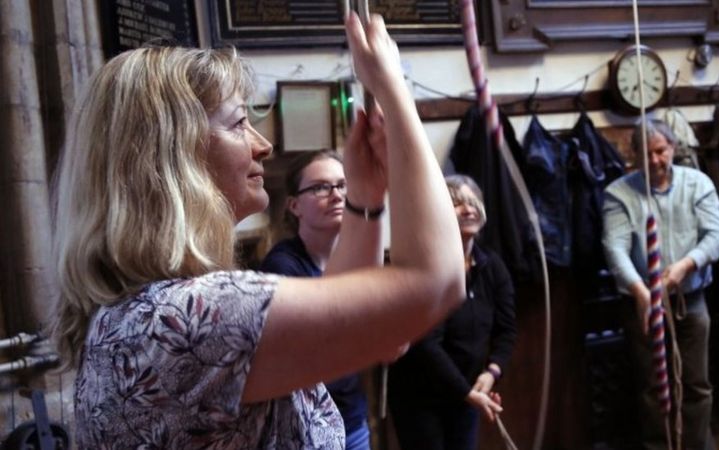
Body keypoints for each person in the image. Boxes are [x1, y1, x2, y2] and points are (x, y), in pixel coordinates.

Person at [49, 13, 465, 450]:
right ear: (172, 154)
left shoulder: (142, 318)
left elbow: (355, 326)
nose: (263, 145)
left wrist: (363, 198)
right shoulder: (189, 319)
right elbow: (434, 285)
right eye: (237, 123)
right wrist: (394, 90)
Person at [601, 118, 719, 450]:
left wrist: (685, 265)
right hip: (641, 302)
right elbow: (615, 248)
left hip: (690, 298)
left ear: (672, 147)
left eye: (660, 150)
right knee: (652, 384)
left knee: (696, 383)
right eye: (646, 153)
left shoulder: (697, 184)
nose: (654, 160)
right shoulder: (618, 193)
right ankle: (660, 445)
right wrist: (641, 291)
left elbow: (716, 236)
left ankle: (695, 445)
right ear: (633, 154)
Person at [388, 174, 516, 450]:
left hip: (466, 393)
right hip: (420, 396)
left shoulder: (492, 266)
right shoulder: (425, 264)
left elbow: (506, 330)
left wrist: (492, 372)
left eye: (473, 202)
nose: (468, 209)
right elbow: (425, 342)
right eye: (457, 202)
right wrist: (466, 392)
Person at [260, 149, 372, 450]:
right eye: (321, 187)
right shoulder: (282, 266)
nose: (336, 195)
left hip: (352, 419)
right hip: (306, 428)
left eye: (342, 185)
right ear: (294, 205)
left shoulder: (353, 256)